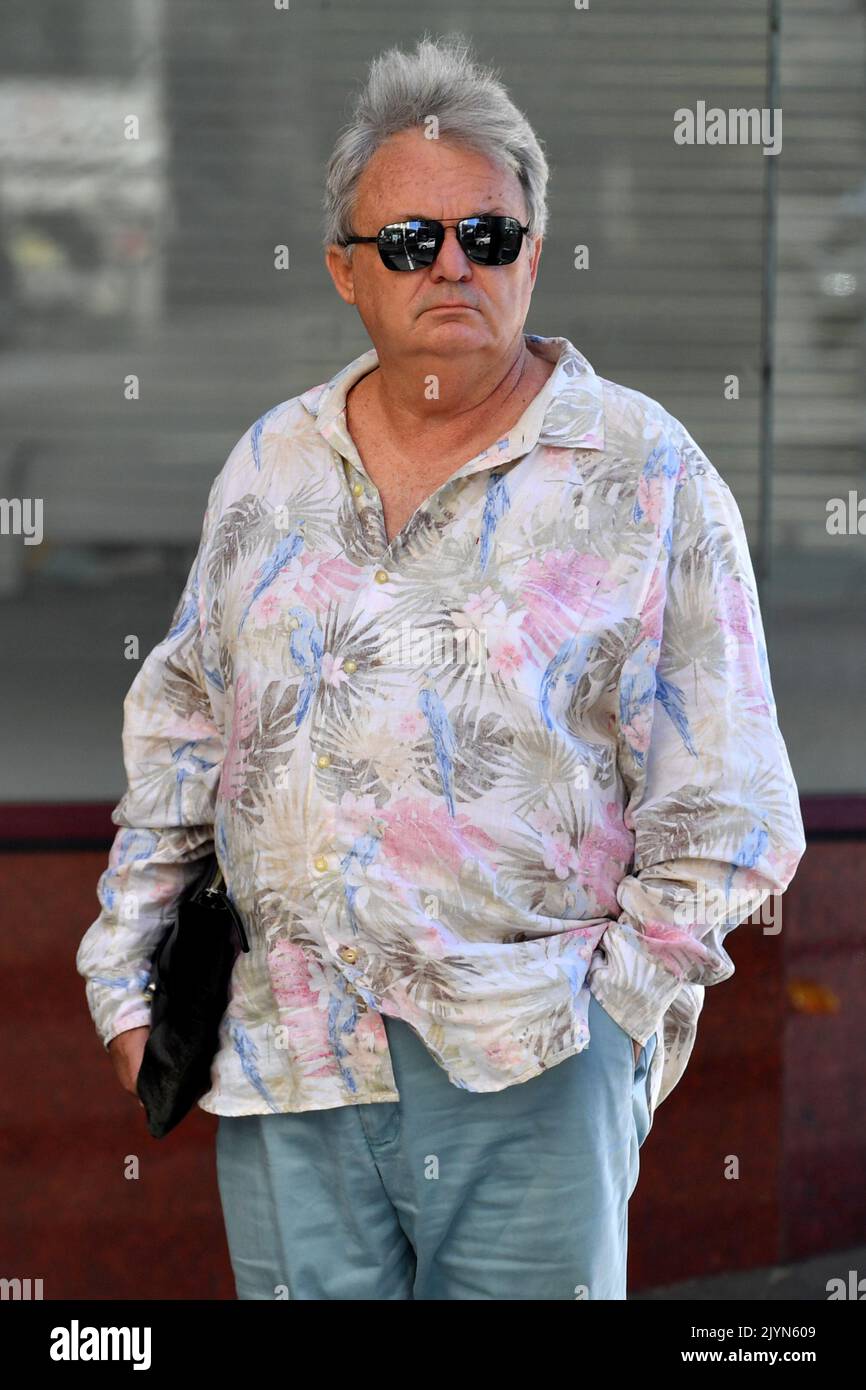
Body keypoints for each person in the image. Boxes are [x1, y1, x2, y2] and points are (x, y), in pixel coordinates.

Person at [76, 33, 806, 1300]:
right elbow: (183, 734)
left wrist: (610, 1026)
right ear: (344, 272)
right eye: (411, 242)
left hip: (530, 1058)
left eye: (489, 233)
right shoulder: (269, 467)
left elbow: (733, 814)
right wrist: (121, 974)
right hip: (287, 1053)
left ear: (533, 248)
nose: (453, 264)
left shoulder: (647, 474)